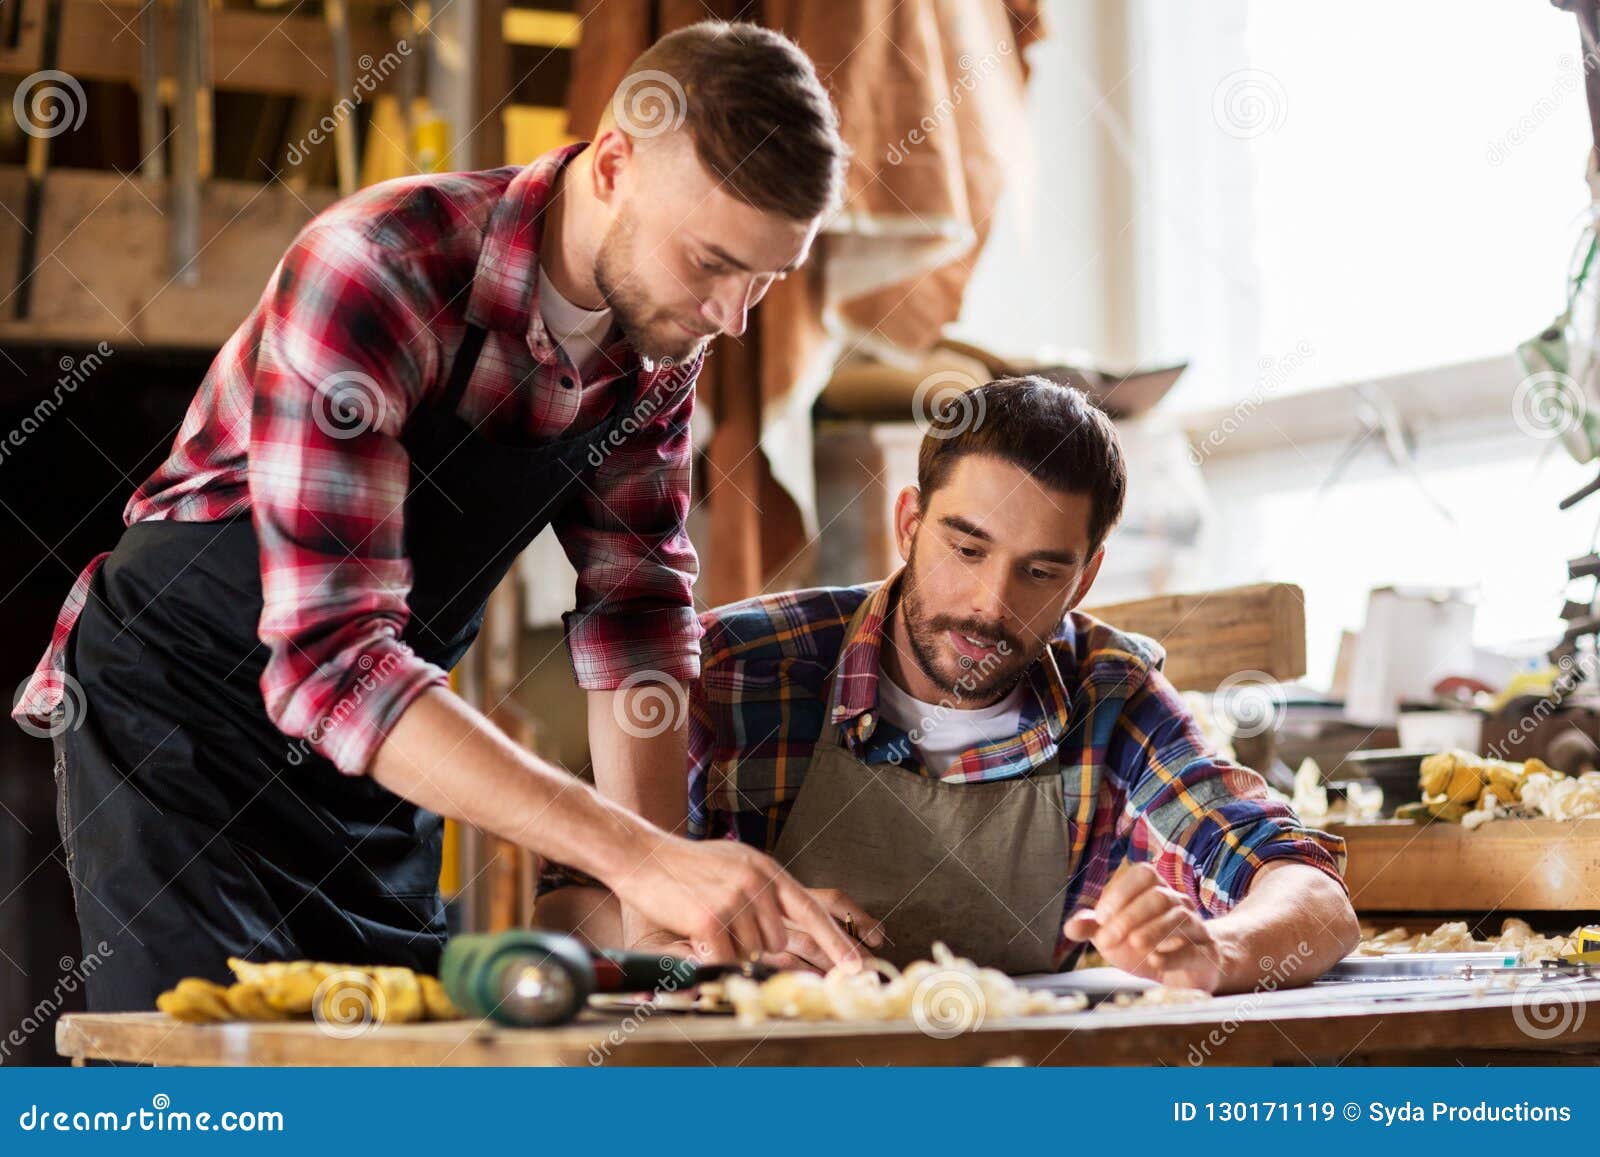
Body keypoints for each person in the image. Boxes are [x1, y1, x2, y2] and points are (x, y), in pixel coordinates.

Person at [14, 21, 864, 1010]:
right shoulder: (375, 267)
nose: (734, 316)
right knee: (223, 1085)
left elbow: (635, 614)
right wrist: (638, 856)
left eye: (767, 277)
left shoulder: (662, 327)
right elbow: (331, 655)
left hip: (382, 748)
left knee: (392, 1078)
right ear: (617, 164)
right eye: (715, 262)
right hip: (186, 728)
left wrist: (664, 920)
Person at [539, 377, 1359, 992]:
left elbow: (1310, 891)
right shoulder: (735, 666)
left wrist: (1215, 951)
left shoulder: (1113, 701)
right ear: (908, 523)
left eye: (1039, 571)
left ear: (1084, 578)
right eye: (966, 549)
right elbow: (567, 907)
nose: (990, 605)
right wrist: (705, 940)